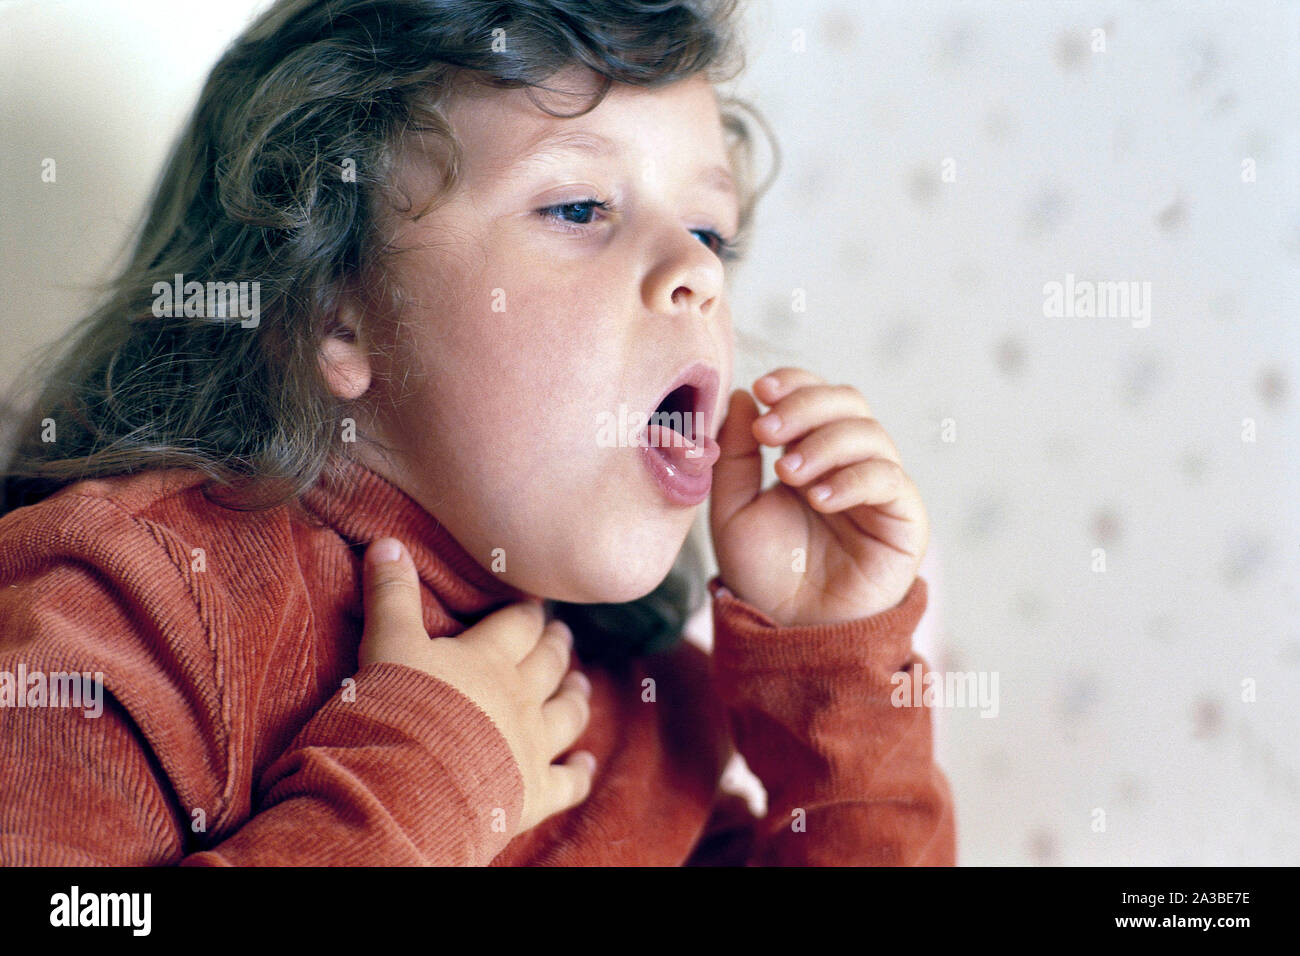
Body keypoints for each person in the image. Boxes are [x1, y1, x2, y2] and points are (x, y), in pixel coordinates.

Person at [0, 0, 955, 865]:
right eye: (579, 208)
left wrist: (839, 677)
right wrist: (420, 793)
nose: (693, 274)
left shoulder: (647, 714)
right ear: (338, 312)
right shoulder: (133, 604)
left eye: (711, 232)